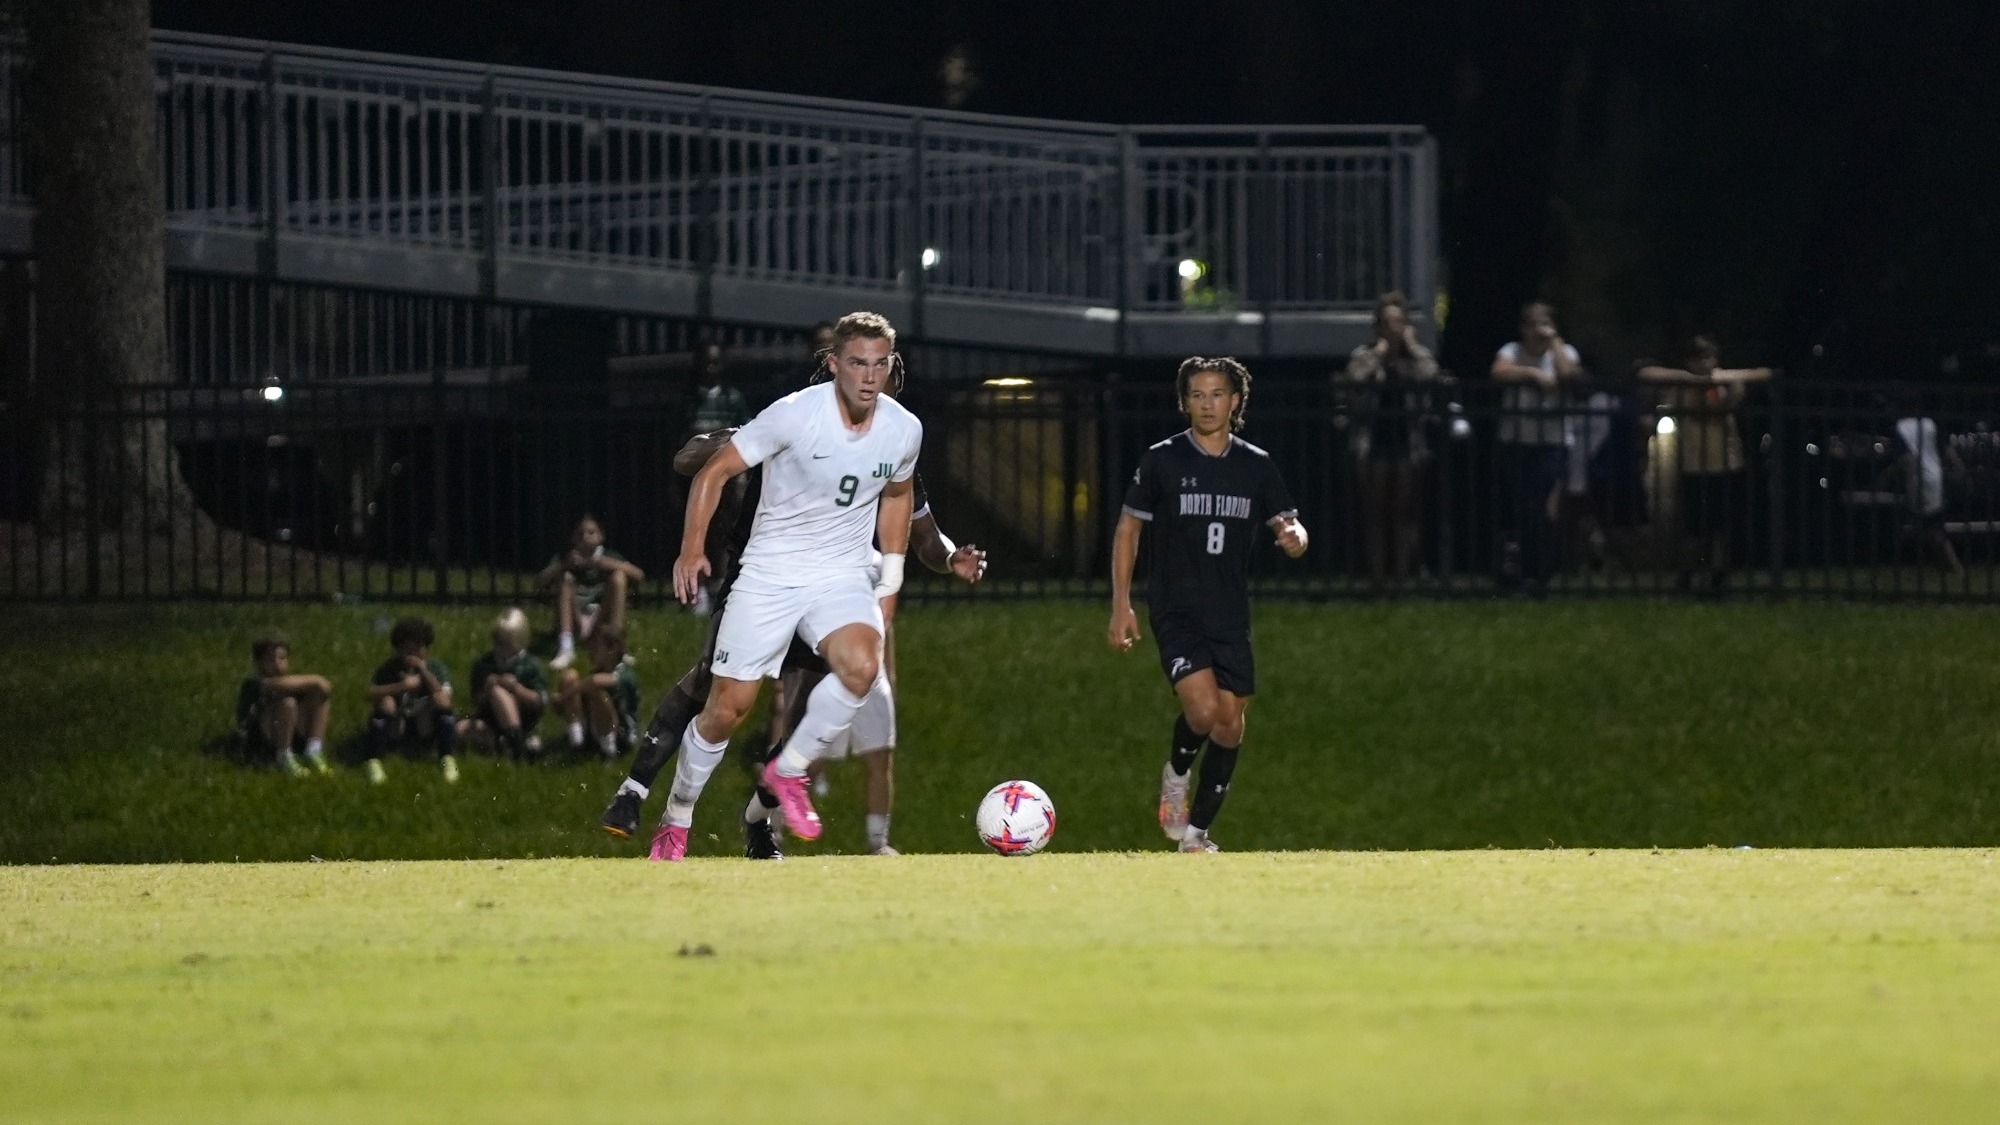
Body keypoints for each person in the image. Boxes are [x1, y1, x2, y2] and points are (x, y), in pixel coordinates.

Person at [654, 310, 924, 861]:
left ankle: (790, 772)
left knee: (862, 668)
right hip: (771, 572)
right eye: (857, 364)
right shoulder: (794, 415)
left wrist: (890, 578)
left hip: (841, 574)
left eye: (880, 364)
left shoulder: (904, 428)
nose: (869, 377)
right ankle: (676, 818)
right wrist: (691, 549)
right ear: (833, 365)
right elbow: (713, 472)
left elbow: (897, 496)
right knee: (729, 709)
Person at [1108, 357, 1308, 853]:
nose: (1207, 403)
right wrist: (1121, 603)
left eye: (1217, 394)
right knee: (1201, 711)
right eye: (1197, 395)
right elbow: (1129, 529)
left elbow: (1291, 526)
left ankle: (1195, 835)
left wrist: (1293, 536)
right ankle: (1176, 774)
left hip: (1229, 612)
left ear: (1235, 401)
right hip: (1177, 609)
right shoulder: (1163, 460)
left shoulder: (1256, 465)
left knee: (1230, 719)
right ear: (1185, 402)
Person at [1639, 336, 1773, 590]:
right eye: (1700, 359)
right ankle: (1689, 574)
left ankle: (1717, 575)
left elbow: (1734, 398)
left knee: (1721, 525)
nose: (1706, 364)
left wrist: (1733, 390)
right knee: (1694, 527)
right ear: (1690, 361)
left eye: (1710, 358)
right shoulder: (1682, 386)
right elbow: (1646, 373)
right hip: (1694, 464)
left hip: (1726, 462)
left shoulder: (1723, 382)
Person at [1339, 290, 1443, 582]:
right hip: (1373, 442)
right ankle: (1377, 575)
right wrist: (1380, 356)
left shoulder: (1416, 357)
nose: (1393, 329)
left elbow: (1431, 376)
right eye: (1388, 322)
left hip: (1407, 442)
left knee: (1403, 511)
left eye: (1399, 322)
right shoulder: (1365, 356)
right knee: (1375, 511)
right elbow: (1354, 383)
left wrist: (1411, 348)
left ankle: (1402, 574)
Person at [1490, 302, 1584, 590]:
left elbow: (1569, 376)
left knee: (1546, 505)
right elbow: (1499, 372)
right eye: (1533, 324)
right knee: (1523, 505)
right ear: (1524, 328)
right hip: (1517, 441)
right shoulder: (1512, 351)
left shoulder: (1565, 353)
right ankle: (1525, 570)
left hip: (1554, 441)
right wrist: (1533, 375)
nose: (1539, 330)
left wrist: (1555, 344)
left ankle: (1543, 569)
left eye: (1544, 323)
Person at [538, 515, 645, 671]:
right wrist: (563, 566)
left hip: (599, 619)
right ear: (573, 538)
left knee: (619, 577)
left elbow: (639, 576)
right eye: (580, 534)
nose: (585, 537)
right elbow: (540, 582)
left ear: (601, 536)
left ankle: (616, 645)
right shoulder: (566, 557)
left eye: (591, 532)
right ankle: (566, 648)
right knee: (565, 579)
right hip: (575, 618)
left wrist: (608, 564)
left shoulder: (609, 556)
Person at [364, 617, 458, 784]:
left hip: (425, 721)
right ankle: (374, 759)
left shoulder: (434, 667)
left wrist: (423, 671)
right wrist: (402, 686)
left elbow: (444, 696)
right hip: (397, 722)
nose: (412, 653)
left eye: (417, 648)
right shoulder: (389, 668)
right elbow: (371, 693)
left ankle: (447, 757)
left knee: (440, 699)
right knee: (386, 702)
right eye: (406, 648)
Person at [233, 637, 334, 777]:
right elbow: (281, 685)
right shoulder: (253, 683)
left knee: (319, 698)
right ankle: (283, 757)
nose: (277, 663)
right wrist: (316, 681)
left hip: (291, 733)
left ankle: (313, 751)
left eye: (282, 658)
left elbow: (324, 688)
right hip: (261, 740)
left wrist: (317, 684)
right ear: (258, 663)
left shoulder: (294, 683)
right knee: (287, 704)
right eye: (271, 659)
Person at [458, 607, 548, 760]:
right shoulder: (483, 664)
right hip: (490, 719)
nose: (501, 647)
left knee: (498, 692)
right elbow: (476, 701)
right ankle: (503, 744)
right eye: (498, 641)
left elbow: (540, 701)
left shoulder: (530, 664)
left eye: (506, 643)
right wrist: (486, 690)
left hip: (523, 718)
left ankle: (516, 742)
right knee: (460, 729)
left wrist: (515, 688)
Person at [555, 625, 641, 760]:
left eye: (596, 647)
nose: (591, 652)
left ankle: (609, 750)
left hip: (620, 735)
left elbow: (596, 682)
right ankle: (577, 740)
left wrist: (563, 697)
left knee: (597, 694)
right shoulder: (597, 672)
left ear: (612, 649)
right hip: (595, 729)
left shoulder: (625, 674)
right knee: (569, 677)